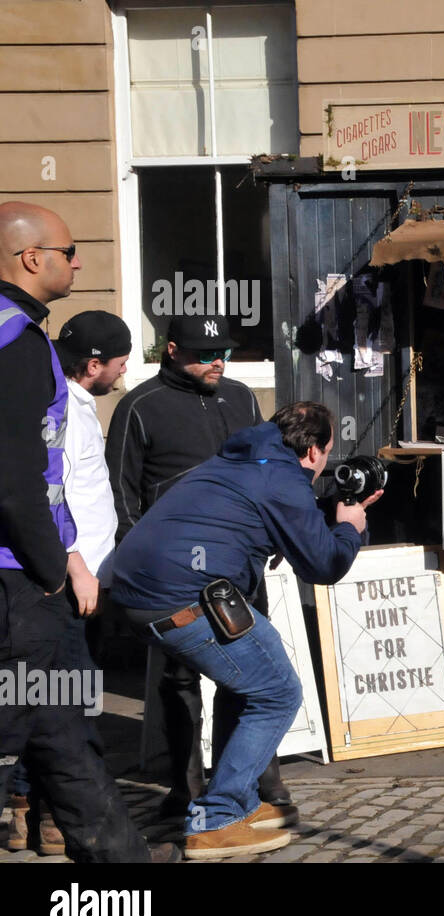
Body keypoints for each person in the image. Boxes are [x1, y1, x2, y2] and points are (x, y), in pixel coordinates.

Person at [111, 402, 380, 858]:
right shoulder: (282, 480)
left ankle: (240, 801)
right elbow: (324, 564)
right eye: (328, 451)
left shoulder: (240, 457)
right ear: (313, 451)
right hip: (184, 600)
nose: (326, 463)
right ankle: (216, 819)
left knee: (245, 684)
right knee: (277, 693)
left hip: (137, 594)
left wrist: (311, 516)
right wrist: (350, 528)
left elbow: (249, 515)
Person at [0, 200, 176, 863]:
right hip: (22, 579)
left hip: (28, 572)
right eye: (69, 251)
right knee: (42, 725)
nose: (78, 261)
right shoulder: (18, 342)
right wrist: (54, 567)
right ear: (31, 258)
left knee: (64, 733)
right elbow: (18, 479)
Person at [106, 313, 293, 820]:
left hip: (239, 565)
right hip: (173, 575)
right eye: (204, 354)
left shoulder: (242, 397)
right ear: (170, 350)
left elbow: (269, 469)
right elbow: (121, 496)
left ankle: (255, 781)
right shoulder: (139, 406)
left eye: (224, 353)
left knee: (250, 675)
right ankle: (185, 788)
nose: (217, 361)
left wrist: (274, 525)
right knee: (180, 680)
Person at [6, 311, 132, 855]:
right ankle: (34, 811)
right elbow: (56, 495)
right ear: (94, 365)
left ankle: (45, 817)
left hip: (79, 581)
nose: (125, 373)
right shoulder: (68, 414)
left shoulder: (79, 405)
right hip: (64, 582)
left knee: (57, 702)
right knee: (58, 704)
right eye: (121, 363)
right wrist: (74, 569)